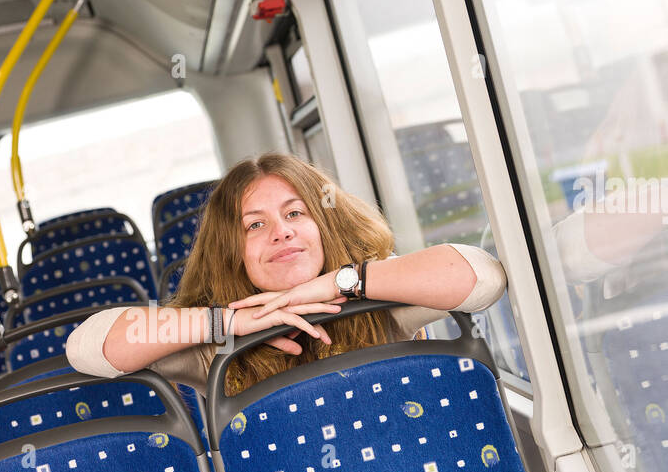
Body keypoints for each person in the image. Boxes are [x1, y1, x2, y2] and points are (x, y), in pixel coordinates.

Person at [65, 152, 507, 394]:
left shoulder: (374, 292)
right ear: (232, 252)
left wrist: (337, 284)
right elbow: (87, 347)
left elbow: (481, 277)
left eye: (295, 213)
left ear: (324, 224)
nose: (282, 233)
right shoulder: (207, 346)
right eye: (255, 225)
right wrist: (230, 323)